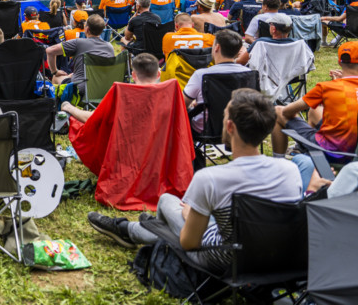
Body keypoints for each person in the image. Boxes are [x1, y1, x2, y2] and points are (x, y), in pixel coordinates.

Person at [86, 89, 300, 273]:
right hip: (276, 259)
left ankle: (130, 230)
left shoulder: (210, 179)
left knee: (167, 201)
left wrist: (190, 215)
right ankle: (132, 229)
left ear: (230, 127)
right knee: (203, 213)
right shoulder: (291, 171)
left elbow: (189, 243)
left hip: (226, 261)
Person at [272, 41, 358, 160]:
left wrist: (336, 85)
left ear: (339, 62)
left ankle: (279, 161)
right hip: (354, 151)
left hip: (331, 152)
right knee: (315, 109)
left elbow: (287, 111)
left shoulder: (326, 88)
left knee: (277, 111)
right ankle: (302, 148)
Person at [60, 53, 162, 123]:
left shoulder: (123, 96)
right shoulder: (166, 95)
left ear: (133, 75)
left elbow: (95, 119)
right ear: (158, 74)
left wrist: (69, 107)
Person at [182, 29, 249, 133]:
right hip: (239, 129)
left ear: (217, 47)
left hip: (206, 130)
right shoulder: (249, 73)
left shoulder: (201, 75)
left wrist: (198, 104)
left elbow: (182, 104)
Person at [46, 14, 114, 92]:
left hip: (81, 90)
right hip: (103, 89)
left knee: (56, 77)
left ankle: (59, 98)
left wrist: (55, 71)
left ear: (87, 29)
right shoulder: (109, 47)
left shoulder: (78, 43)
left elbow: (50, 51)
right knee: (71, 75)